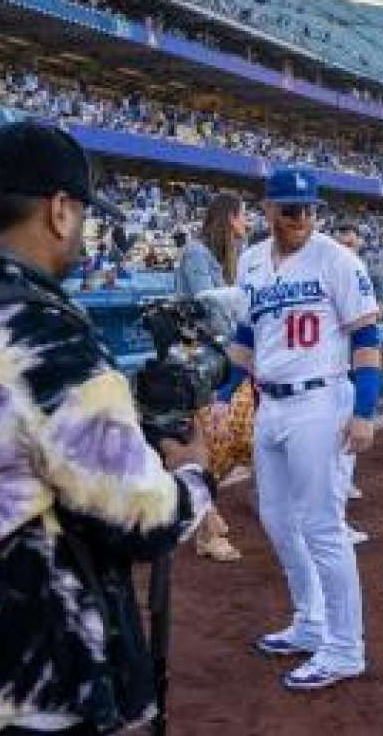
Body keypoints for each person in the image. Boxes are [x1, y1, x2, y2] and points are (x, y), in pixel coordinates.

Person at [0, 120, 215, 735]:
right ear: (58, 210)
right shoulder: (42, 332)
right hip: (28, 677)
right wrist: (194, 476)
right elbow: (141, 515)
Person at [221, 167, 381, 690]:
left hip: (321, 400)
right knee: (276, 518)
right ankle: (311, 623)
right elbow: (248, 337)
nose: (302, 219)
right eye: (291, 210)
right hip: (270, 401)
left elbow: (366, 337)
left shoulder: (337, 258)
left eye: (310, 210)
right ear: (267, 210)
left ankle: (345, 647)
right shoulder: (249, 262)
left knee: (323, 526)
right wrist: (222, 389)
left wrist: (365, 409)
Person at [174, 192, 249, 563]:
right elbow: (207, 305)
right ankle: (204, 530)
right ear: (229, 217)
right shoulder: (197, 253)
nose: (245, 224)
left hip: (215, 360)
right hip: (194, 359)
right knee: (203, 446)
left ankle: (208, 516)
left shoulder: (224, 255)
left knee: (217, 442)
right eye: (242, 217)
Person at [332, 222, 374, 545]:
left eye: (352, 244)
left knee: (342, 458)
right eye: (341, 244)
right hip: (327, 377)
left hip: (346, 372)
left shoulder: (359, 272)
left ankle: (335, 519)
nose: (348, 251)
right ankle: (333, 525)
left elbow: (373, 316)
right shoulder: (324, 273)